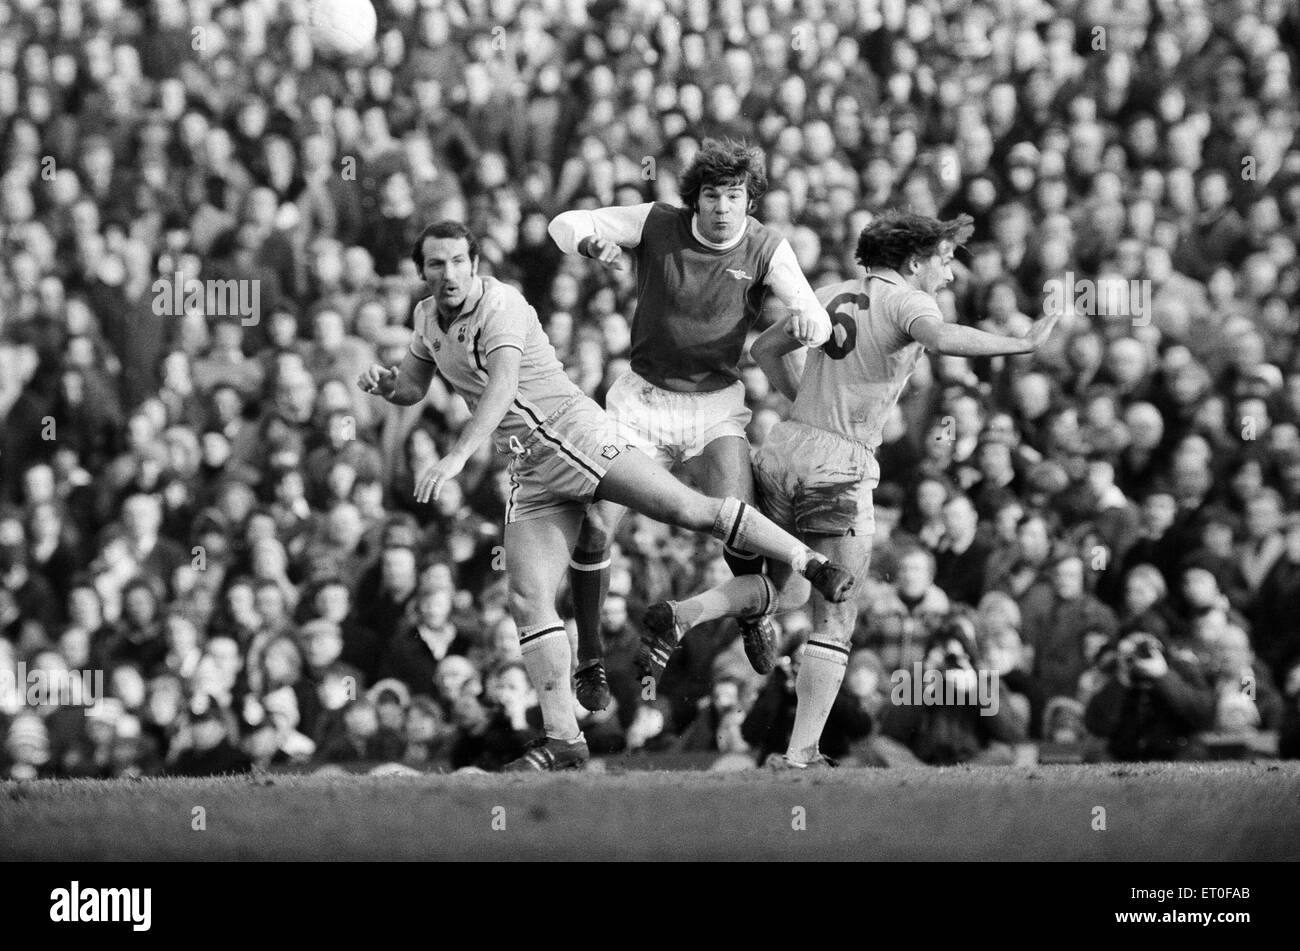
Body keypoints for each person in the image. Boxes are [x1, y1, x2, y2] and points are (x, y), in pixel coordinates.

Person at [358, 221, 854, 771]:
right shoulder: (427, 317)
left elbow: (500, 387)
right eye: (435, 264)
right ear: (421, 271)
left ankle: (809, 562)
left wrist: (455, 457)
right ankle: (565, 739)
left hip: (572, 434)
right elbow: (412, 383)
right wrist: (390, 387)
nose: (447, 273)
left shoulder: (501, 305)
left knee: (685, 510)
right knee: (527, 597)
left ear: (475, 264)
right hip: (530, 461)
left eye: (457, 261)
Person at [644, 210, 1059, 768]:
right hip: (839, 463)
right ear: (914, 262)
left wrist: (805, 408)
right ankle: (801, 754)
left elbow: (765, 351)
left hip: (784, 445)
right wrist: (1024, 342)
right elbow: (938, 338)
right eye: (943, 261)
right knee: (836, 615)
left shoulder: (832, 291)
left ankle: (684, 612)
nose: (951, 275)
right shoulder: (908, 301)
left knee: (788, 590)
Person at [547, 139, 833, 711]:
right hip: (639, 404)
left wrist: (806, 321)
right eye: (711, 195)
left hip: (713, 406)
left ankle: (752, 610)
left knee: (737, 528)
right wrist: (588, 239)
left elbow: (817, 319)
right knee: (595, 528)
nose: (722, 207)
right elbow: (563, 221)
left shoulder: (767, 249)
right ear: (695, 199)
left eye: (734, 196)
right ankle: (590, 659)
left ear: (750, 201)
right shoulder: (658, 223)